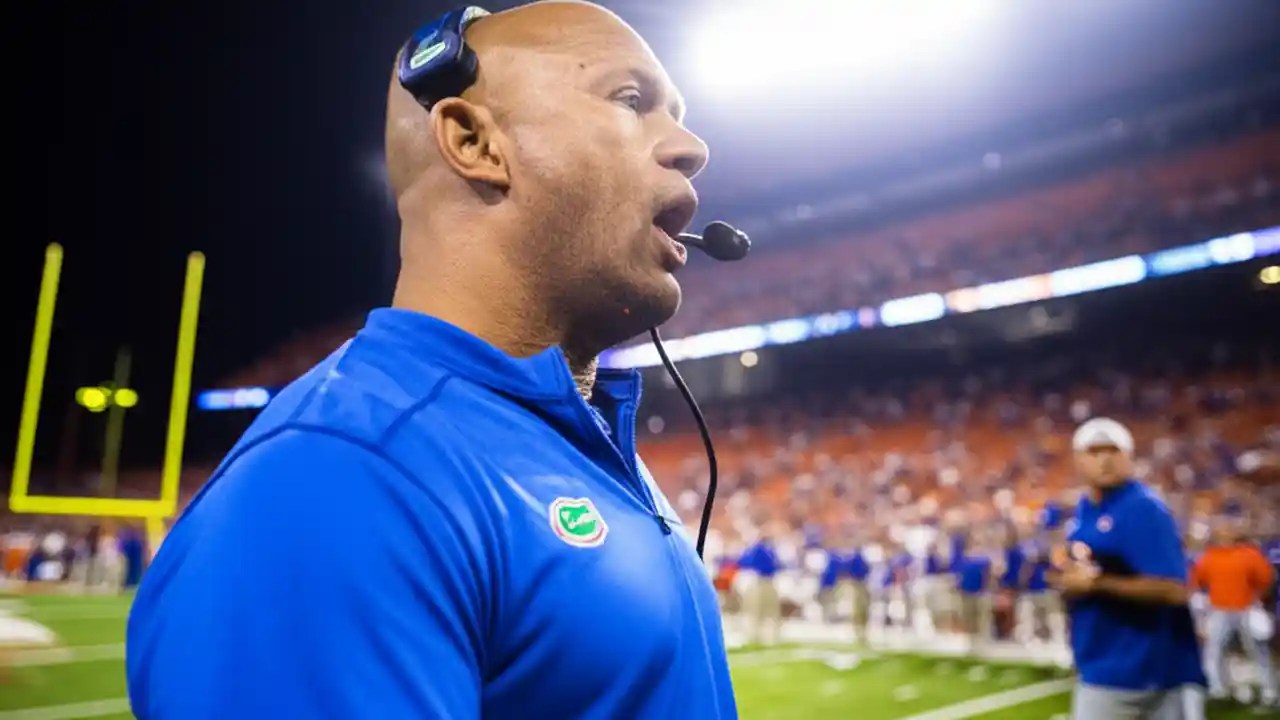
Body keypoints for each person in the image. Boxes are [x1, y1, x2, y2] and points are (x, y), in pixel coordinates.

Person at [126, 3, 735, 718]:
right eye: (631, 100)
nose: (691, 146)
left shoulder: (566, 442)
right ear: (473, 140)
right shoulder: (339, 479)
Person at [1051, 418, 1206, 720]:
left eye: (1113, 450)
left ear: (1129, 457)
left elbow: (1174, 590)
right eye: (1094, 451)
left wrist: (1096, 585)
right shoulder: (1087, 508)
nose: (1104, 459)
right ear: (1077, 459)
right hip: (1106, 659)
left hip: (1134, 668)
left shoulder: (1142, 507)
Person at [1191, 520, 1277, 705]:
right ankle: (1217, 690)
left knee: (1258, 651)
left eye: (1228, 531)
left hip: (1246, 609)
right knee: (1213, 652)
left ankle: (1269, 691)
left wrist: (1258, 599)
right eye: (1222, 531)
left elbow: (1266, 579)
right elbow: (1196, 582)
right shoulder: (1209, 557)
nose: (1225, 535)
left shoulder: (1249, 554)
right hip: (1219, 610)